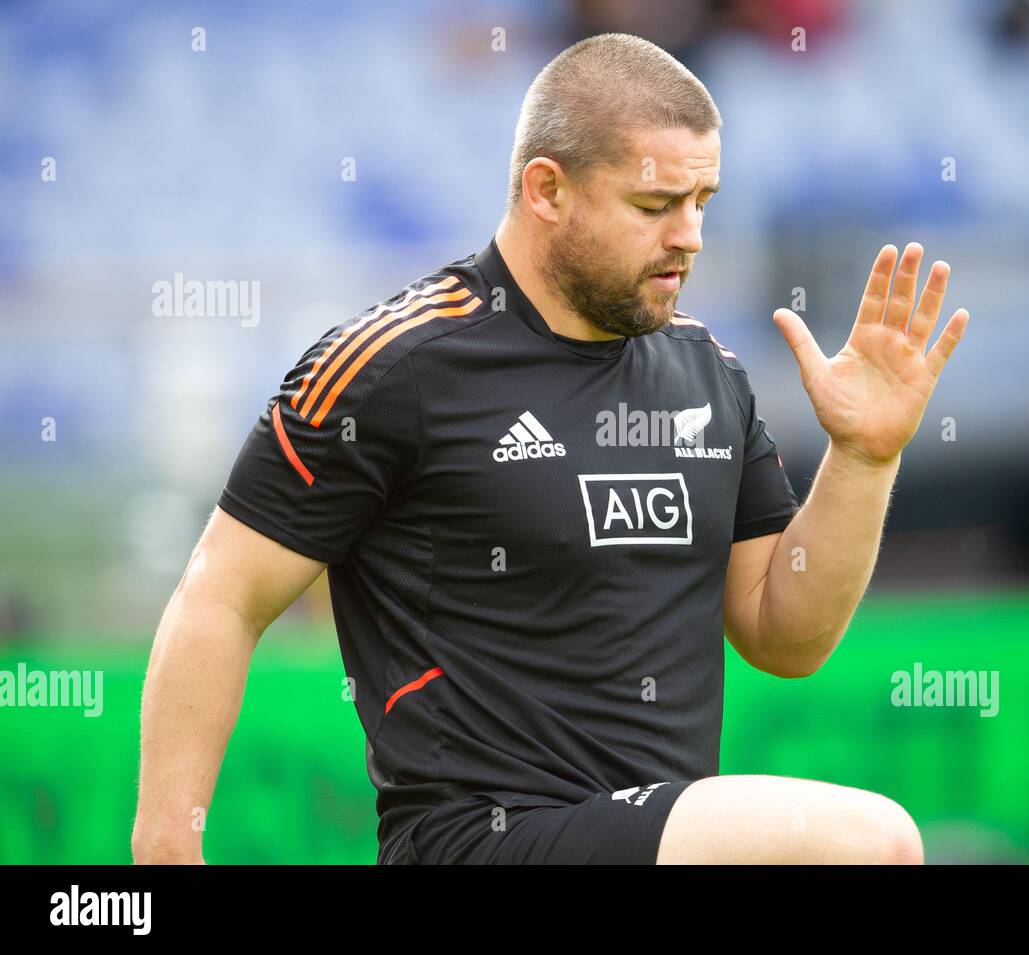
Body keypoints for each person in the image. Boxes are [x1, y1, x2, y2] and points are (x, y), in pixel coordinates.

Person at [132, 32, 968, 865]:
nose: (691, 236)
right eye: (655, 205)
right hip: (477, 842)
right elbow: (220, 598)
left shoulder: (708, 372)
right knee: (873, 843)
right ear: (546, 190)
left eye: (703, 201)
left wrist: (863, 456)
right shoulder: (397, 366)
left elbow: (786, 636)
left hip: (644, 834)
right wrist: (169, 844)